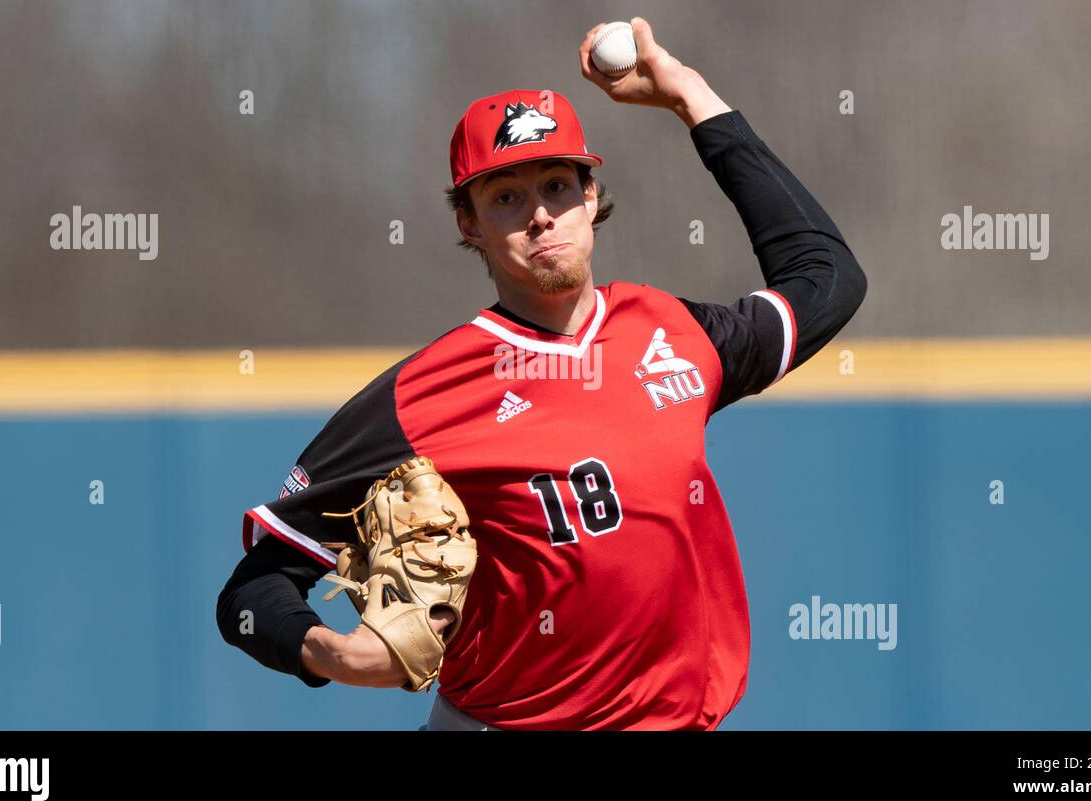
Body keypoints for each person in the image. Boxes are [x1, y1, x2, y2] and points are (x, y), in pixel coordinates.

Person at [216, 17, 866, 730]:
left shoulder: (673, 334)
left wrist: (690, 96)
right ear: (469, 223)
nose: (540, 217)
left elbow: (828, 278)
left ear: (591, 197)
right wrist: (328, 652)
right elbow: (252, 589)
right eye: (506, 197)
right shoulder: (422, 396)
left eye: (557, 185)